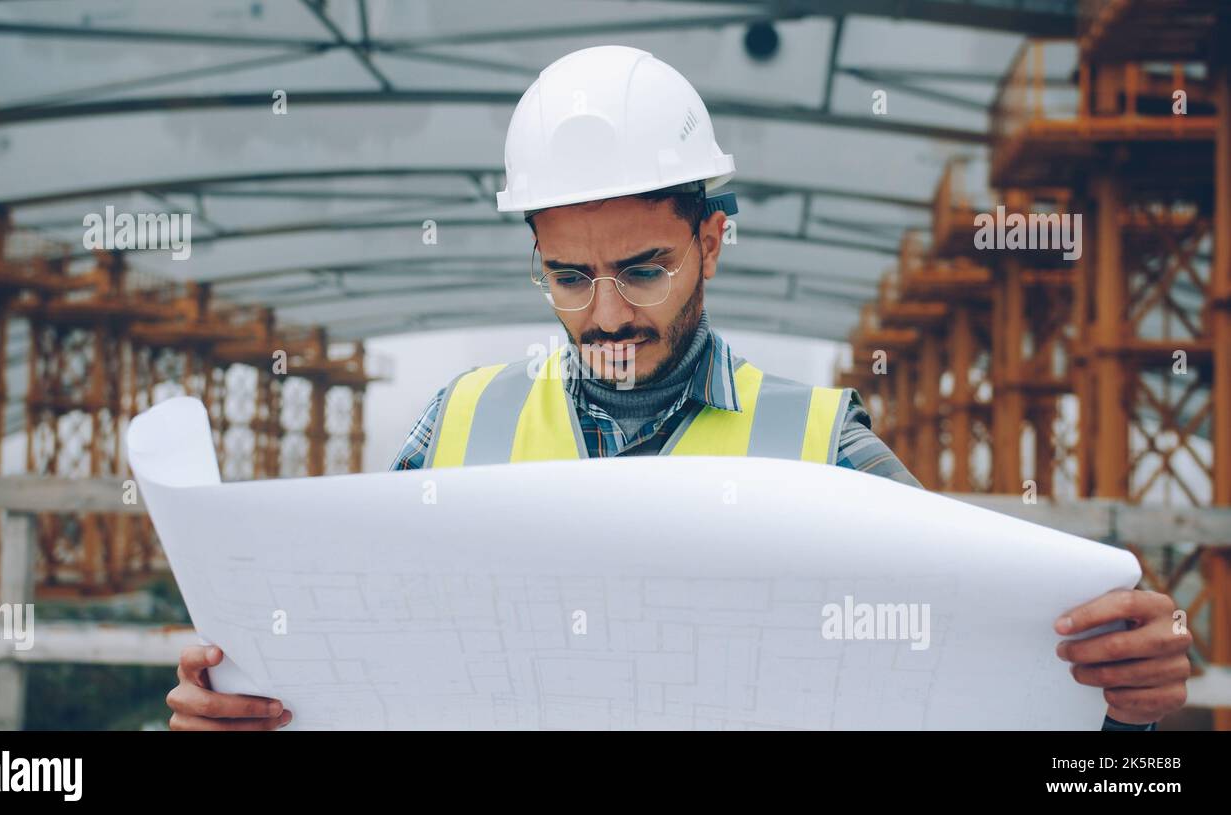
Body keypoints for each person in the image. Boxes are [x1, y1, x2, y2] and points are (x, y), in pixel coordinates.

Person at [167, 45, 1190, 731]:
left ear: (711, 240)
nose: (605, 311)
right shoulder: (457, 424)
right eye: (568, 275)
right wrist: (244, 703)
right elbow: (344, 659)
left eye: (642, 268)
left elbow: (965, 663)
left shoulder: (822, 443)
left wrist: (1119, 694)